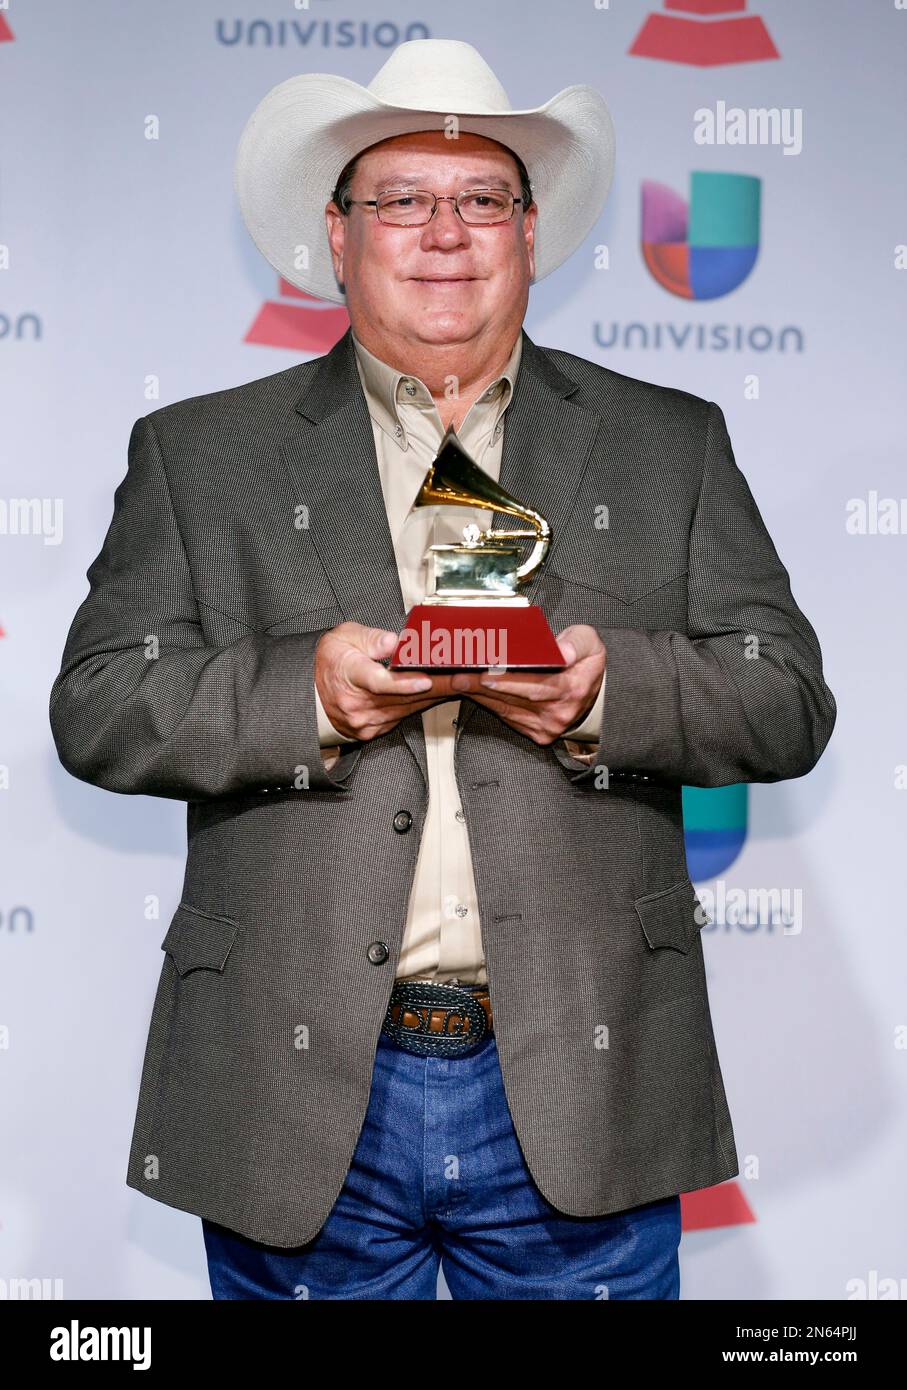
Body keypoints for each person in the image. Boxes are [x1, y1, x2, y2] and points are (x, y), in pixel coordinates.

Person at [49, 39, 836, 1299]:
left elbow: (785, 691)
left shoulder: (668, 444)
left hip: (583, 1082)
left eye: (481, 200)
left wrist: (603, 691)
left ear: (531, 236)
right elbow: (95, 704)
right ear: (337, 235)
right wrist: (304, 693)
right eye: (401, 200)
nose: (443, 233)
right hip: (294, 1093)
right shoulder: (202, 456)